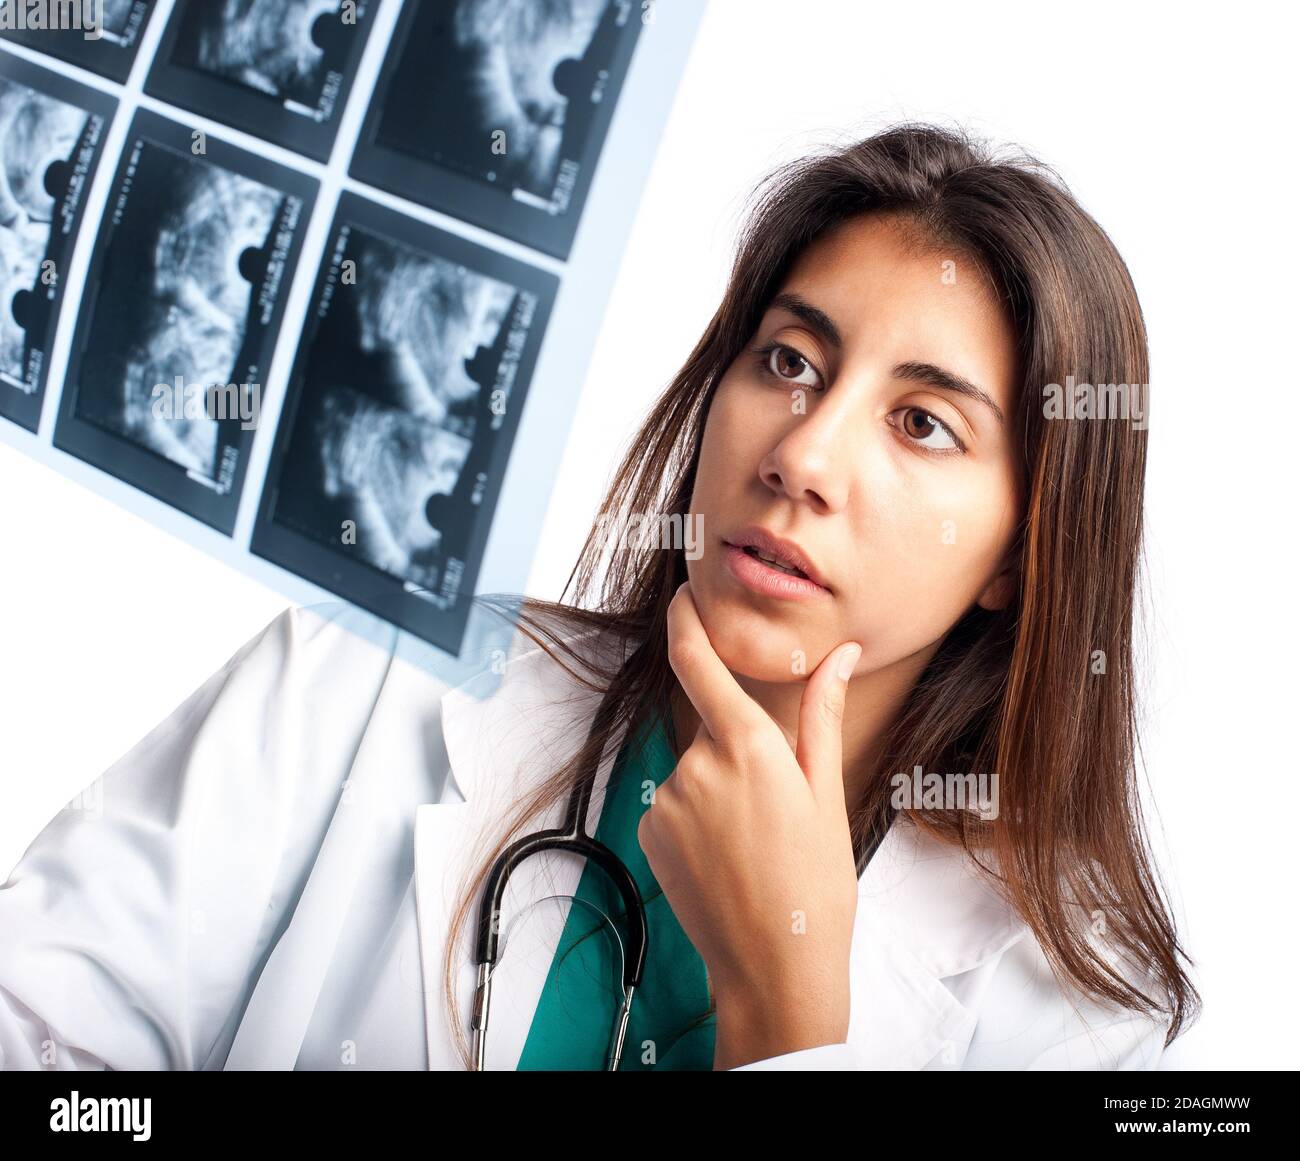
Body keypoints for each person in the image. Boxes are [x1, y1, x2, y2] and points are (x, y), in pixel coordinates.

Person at [0, 122, 1198, 1070]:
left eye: (921, 423)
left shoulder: (1080, 1018)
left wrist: (786, 1015)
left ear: (1018, 557)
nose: (802, 455)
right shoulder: (371, 682)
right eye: (789, 361)